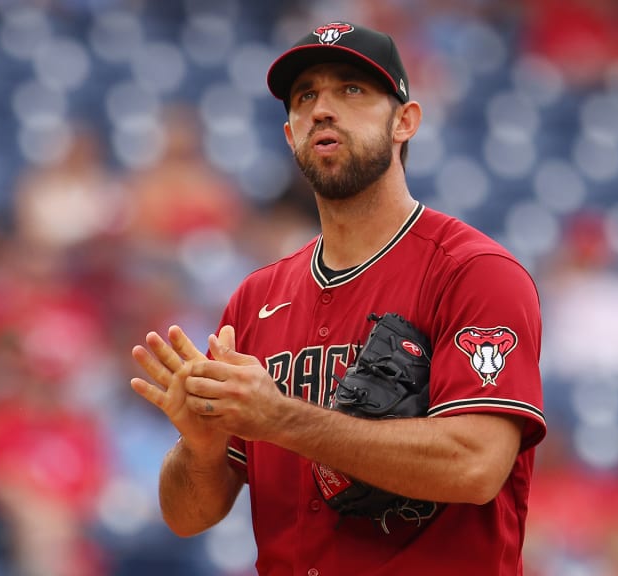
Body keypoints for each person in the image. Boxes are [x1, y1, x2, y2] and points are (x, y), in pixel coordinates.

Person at [130, 21, 546, 576]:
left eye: (351, 89)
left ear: (405, 121)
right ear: (289, 135)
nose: (323, 109)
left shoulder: (475, 272)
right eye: (306, 97)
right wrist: (199, 446)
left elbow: (476, 465)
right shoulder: (256, 299)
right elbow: (188, 515)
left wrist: (280, 418)